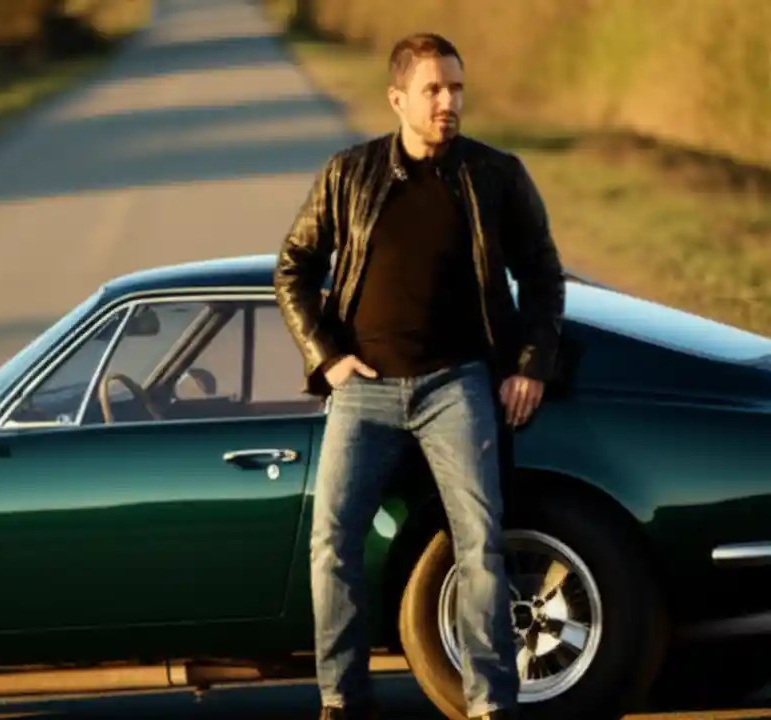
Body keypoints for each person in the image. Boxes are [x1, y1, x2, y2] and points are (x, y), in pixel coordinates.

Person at [273, 32, 566, 720]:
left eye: (456, 88)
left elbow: (544, 274)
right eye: (433, 89)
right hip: (363, 391)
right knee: (331, 542)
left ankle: (491, 704)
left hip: (456, 386)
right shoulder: (349, 174)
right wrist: (327, 357)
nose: (447, 102)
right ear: (397, 98)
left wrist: (530, 366)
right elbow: (293, 268)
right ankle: (342, 699)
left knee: (481, 542)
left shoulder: (495, 175)